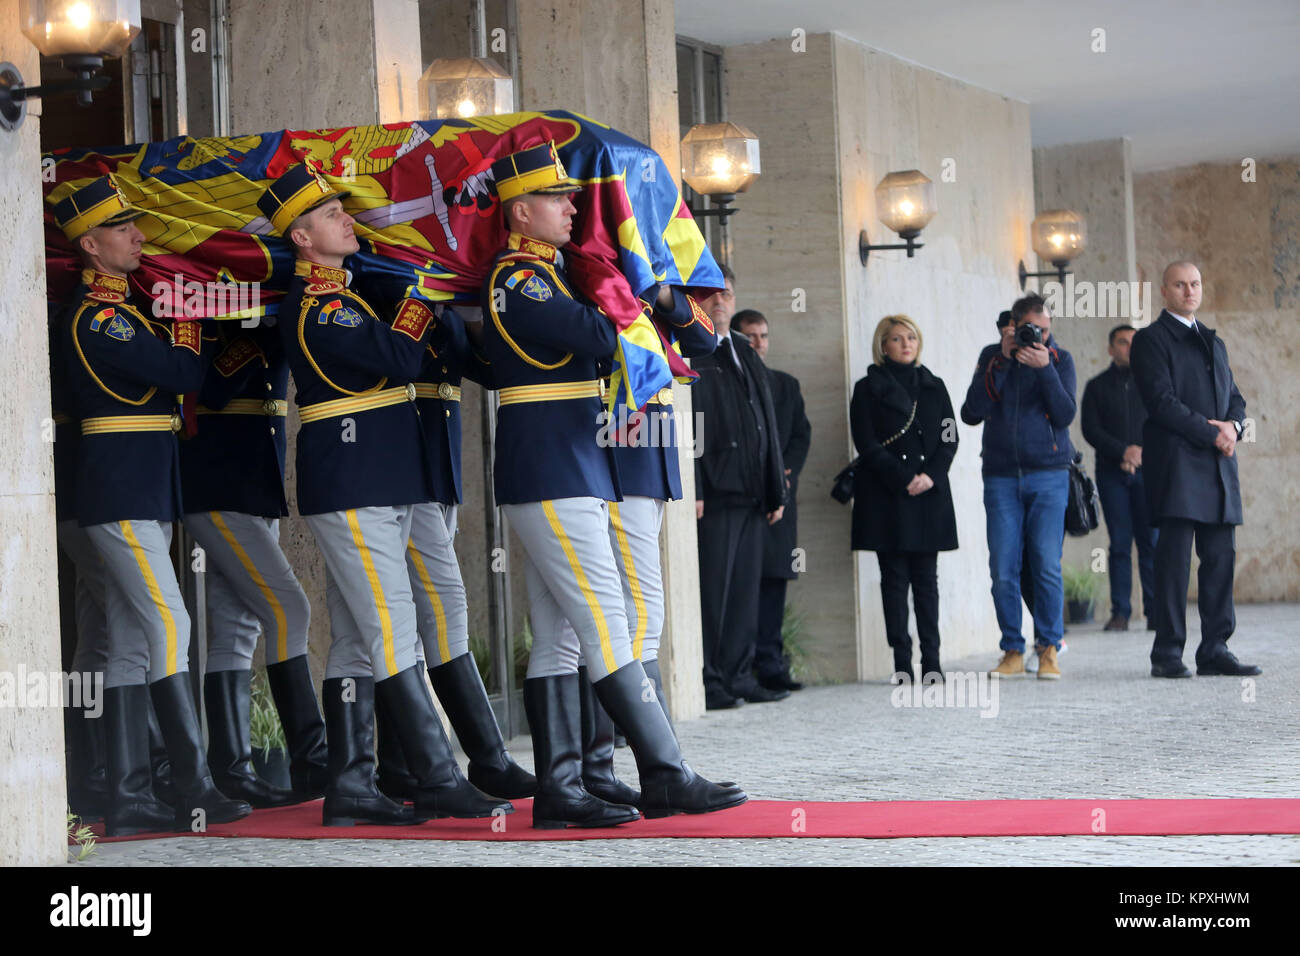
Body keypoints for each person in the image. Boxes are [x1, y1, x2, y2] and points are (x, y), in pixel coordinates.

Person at [481, 141, 746, 827]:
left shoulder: (557, 272)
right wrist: (625, 284)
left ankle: (563, 789)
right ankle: (664, 773)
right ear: (521, 210)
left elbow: (658, 337)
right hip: (550, 465)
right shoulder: (521, 278)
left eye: (577, 196)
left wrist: (624, 282)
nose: (573, 206)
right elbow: (600, 337)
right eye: (558, 197)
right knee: (607, 621)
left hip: (572, 463)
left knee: (562, 635)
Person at [264, 163, 510, 825]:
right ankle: (435, 775)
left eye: (346, 208)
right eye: (331, 214)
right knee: (393, 628)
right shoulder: (323, 306)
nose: (347, 218)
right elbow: (400, 357)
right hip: (355, 486)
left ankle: (350, 785)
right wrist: (420, 291)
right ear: (303, 240)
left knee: (354, 638)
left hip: (378, 480)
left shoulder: (344, 297)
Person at [53, 174, 251, 836]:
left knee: (123, 638)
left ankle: (120, 791)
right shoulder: (98, 317)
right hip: (121, 492)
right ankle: (189, 784)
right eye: (123, 228)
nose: (139, 235)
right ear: (88, 244)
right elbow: (180, 376)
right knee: (169, 625)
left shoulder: (122, 311)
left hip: (137, 487)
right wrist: (189, 327)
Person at [367, 296, 537, 804]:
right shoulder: (386, 289)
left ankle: (450, 762)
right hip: (401, 461)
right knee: (426, 615)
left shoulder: (440, 300)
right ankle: (461, 761)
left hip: (437, 463)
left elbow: (488, 370)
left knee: (431, 615)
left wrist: (476, 322)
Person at [179, 320, 328, 808]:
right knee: (289, 610)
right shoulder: (207, 329)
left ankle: (233, 769)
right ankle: (312, 761)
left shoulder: (270, 327)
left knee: (236, 627)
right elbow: (208, 389)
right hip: (217, 488)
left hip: (254, 487)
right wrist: (257, 330)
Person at [1130, 261, 1259, 679]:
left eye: (1196, 284)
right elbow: (1162, 403)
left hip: (1219, 466)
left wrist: (1235, 427)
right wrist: (1214, 433)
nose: (1189, 291)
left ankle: (1215, 648)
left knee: (1220, 558)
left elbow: (1235, 398)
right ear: (1164, 291)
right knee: (1174, 561)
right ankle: (1167, 653)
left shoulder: (1213, 342)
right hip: (1178, 464)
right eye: (1180, 285)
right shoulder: (1150, 340)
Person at [961, 294, 1077, 680]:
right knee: (1003, 567)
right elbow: (971, 411)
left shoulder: (1061, 359)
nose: (1037, 336)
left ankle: (1048, 649)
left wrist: (1044, 369)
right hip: (1001, 476)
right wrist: (1004, 363)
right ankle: (1012, 648)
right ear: (1011, 326)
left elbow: (1064, 414)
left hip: (1049, 474)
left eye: (1042, 330)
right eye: (1029, 329)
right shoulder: (994, 356)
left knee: (1045, 564)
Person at [691, 266, 788, 709]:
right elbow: (685, 426)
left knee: (745, 592)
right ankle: (709, 679)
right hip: (714, 494)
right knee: (714, 593)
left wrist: (776, 491)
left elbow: (766, 423)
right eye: (711, 293)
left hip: (752, 494)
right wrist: (693, 487)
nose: (720, 300)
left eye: (726, 292)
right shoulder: (691, 349)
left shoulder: (745, 352)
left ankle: (738, 674)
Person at [850, 315, 958, 683]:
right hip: (887, 497)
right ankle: (901, 663)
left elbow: (949, 436)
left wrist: (930, 476)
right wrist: (903, 478)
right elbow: (865, 443)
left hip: (929, 495)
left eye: (911, 337)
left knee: (927, 582)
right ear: (884, 346)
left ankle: (932, 661)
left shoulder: (934, 385)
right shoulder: (867, 388)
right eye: (897, 339)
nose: (906, 344)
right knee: (893, 582)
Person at [733, 308, 810, 692]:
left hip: (780, 495)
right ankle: (743, 667)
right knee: (744, 583)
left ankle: (772, 663)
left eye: (763, 335)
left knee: (775, 581)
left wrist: (785, 473)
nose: (759, 343)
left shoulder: (786, 385)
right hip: (743, 499)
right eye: (750, 336)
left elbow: (800, 435)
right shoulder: (730, 382)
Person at [1081, 324, 1158, 632]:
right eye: (1123, 343)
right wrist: (1123, 452)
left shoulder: (1153, 385)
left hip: (1149, 472)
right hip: (1112, 473)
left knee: (1151, 542)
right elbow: (1091, 429)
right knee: (1120, 544)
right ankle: (1121, 613)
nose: (1129, 348)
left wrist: (1140, 453)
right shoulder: (1096, 386)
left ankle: (1156, 611)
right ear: (1111, 349)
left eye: (1133, 343)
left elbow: (1164, 421)